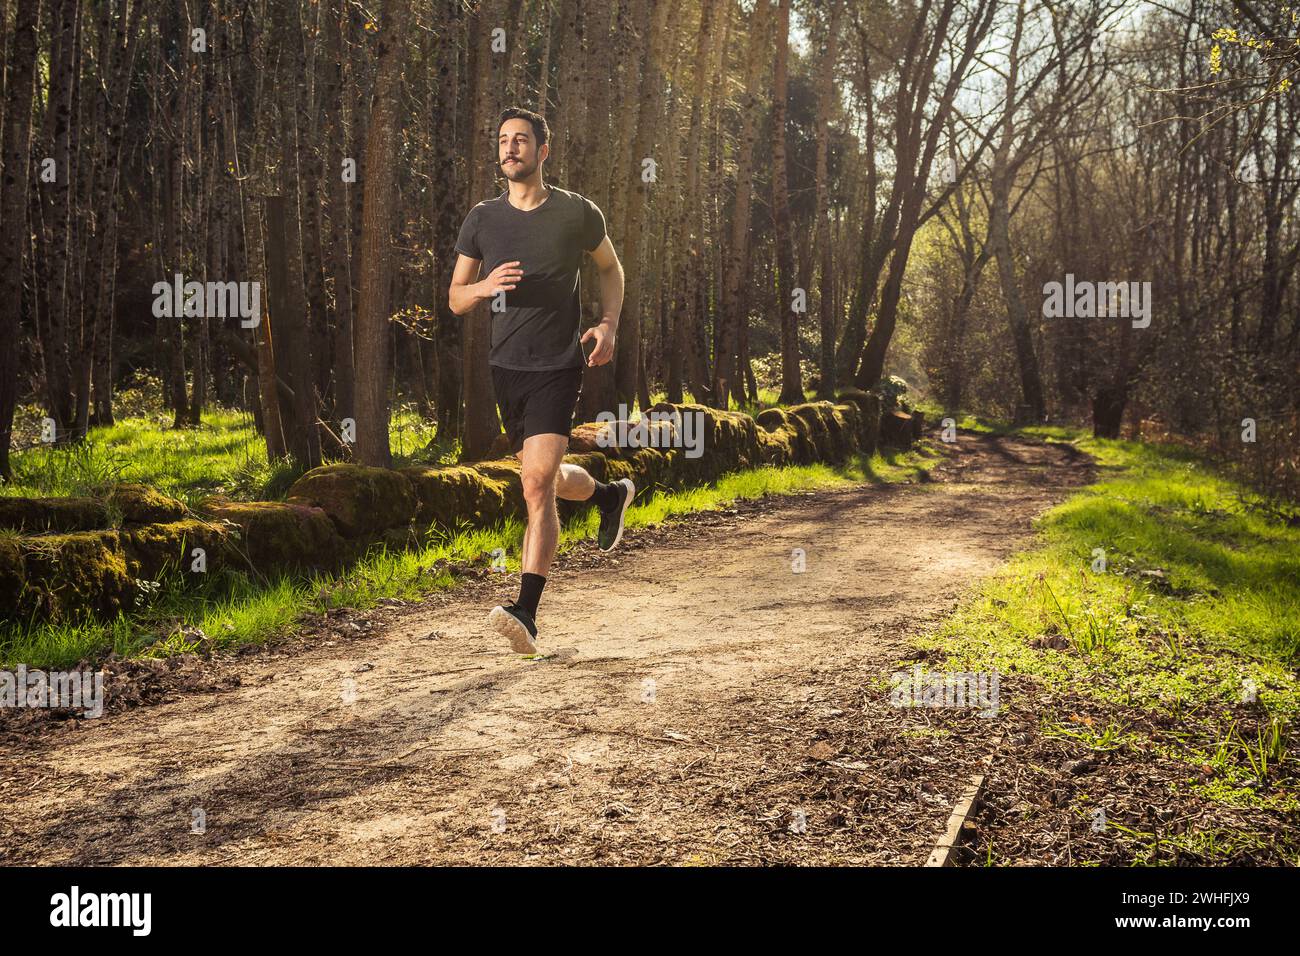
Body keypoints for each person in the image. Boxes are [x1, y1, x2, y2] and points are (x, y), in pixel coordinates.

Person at [449, 107, 634, 655]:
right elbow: (456, 297)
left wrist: (607, 323)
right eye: (503, 140)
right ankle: (606, 495)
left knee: (533, 482)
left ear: (543, 150)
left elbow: (611, 268)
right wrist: (483, 288)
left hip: (558, 363)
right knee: (545, 479)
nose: (510, 149)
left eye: (521, 140)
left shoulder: (576, 213)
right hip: (506, 367)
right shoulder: (482, 219)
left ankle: (525, 611)